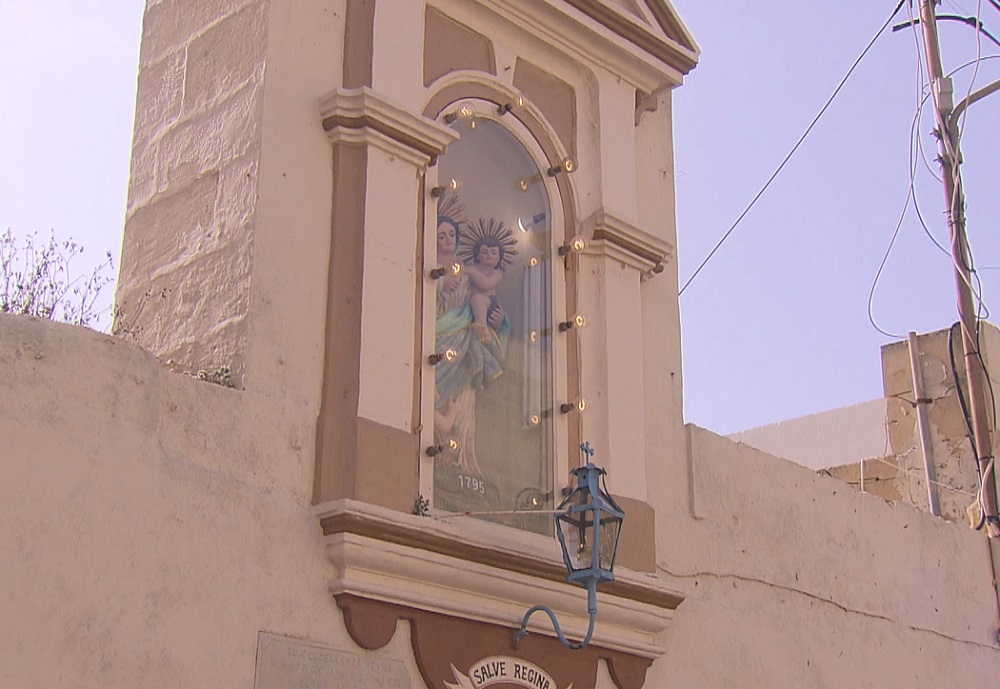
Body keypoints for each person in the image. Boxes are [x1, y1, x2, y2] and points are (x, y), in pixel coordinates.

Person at [432, 205, 510, 479]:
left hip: (464, 340)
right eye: (441, 235)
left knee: (462, 400)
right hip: (437, 339)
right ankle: (436, 451)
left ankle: (460, 460)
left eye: (451, 234)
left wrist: (497, 321)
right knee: (435, 392)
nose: (447, 239)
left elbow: (482, 299)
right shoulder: (429, 263)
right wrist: (440, 284)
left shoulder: (465, 271)